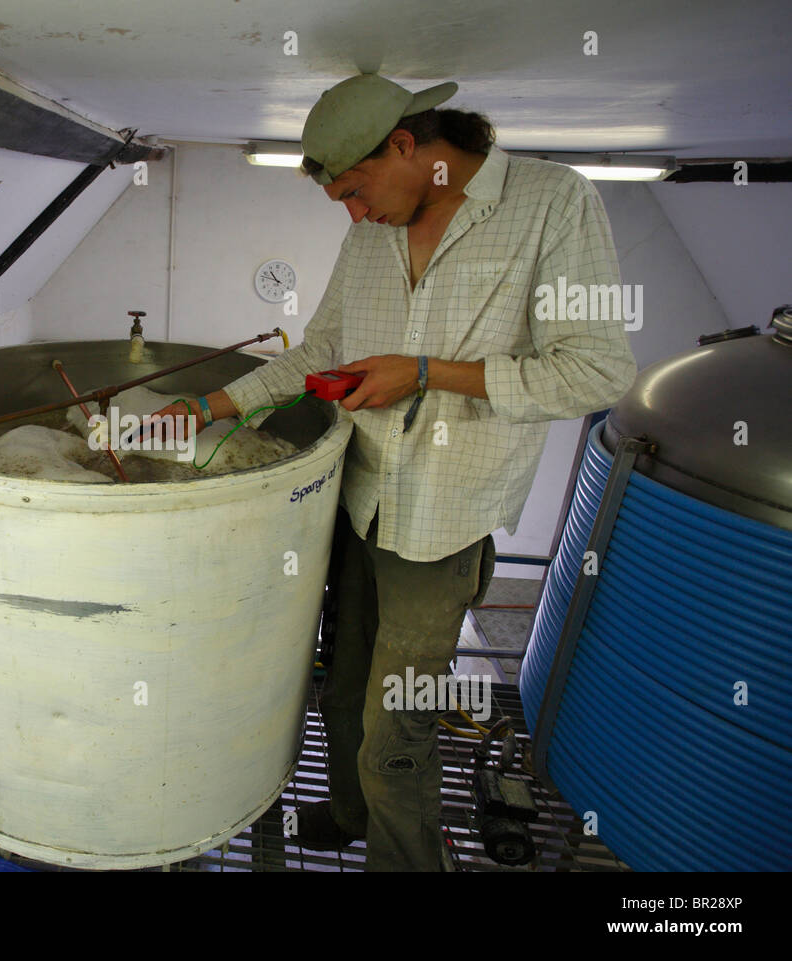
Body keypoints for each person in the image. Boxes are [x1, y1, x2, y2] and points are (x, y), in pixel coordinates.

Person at [143, 74, 638, 870]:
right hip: (361, 501)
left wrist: (428, 372)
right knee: (341, 700)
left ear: (406, 146)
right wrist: (204, 409)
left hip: (443, 524)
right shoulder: (375, 231)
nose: (355, 212)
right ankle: (345, 816)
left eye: (355, 188)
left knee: (393, 733)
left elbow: (595, 373)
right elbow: (316, 353)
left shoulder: (553, 202)